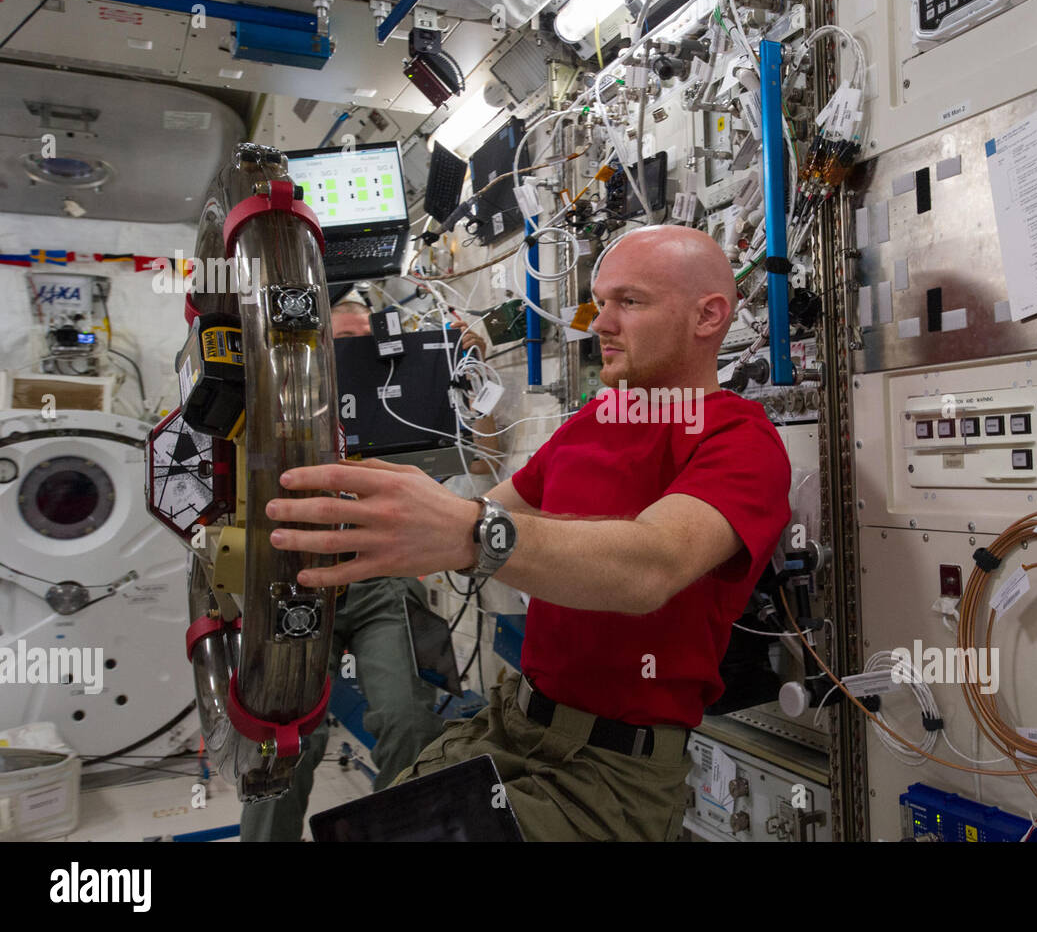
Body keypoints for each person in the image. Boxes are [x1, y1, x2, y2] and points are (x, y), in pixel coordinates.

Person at [265, 227, 793, 841]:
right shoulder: (598, 418)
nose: (601, 323)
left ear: (709, 316)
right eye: (599, 301)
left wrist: (470, 531)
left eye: (630, 301)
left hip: (607, 773)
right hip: (511, 726)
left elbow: (652, 566)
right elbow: (490, 512)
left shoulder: (741, 441)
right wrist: (370, 525)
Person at [239, 294, 452, 841]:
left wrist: (454, 370)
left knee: (408, 722)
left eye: (366, 341)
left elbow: (464, 461)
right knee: (288, 738)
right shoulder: (278, 405)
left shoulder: (410, 399)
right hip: (301, 582)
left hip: (381, 579)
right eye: (342, 343)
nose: (357, 353)